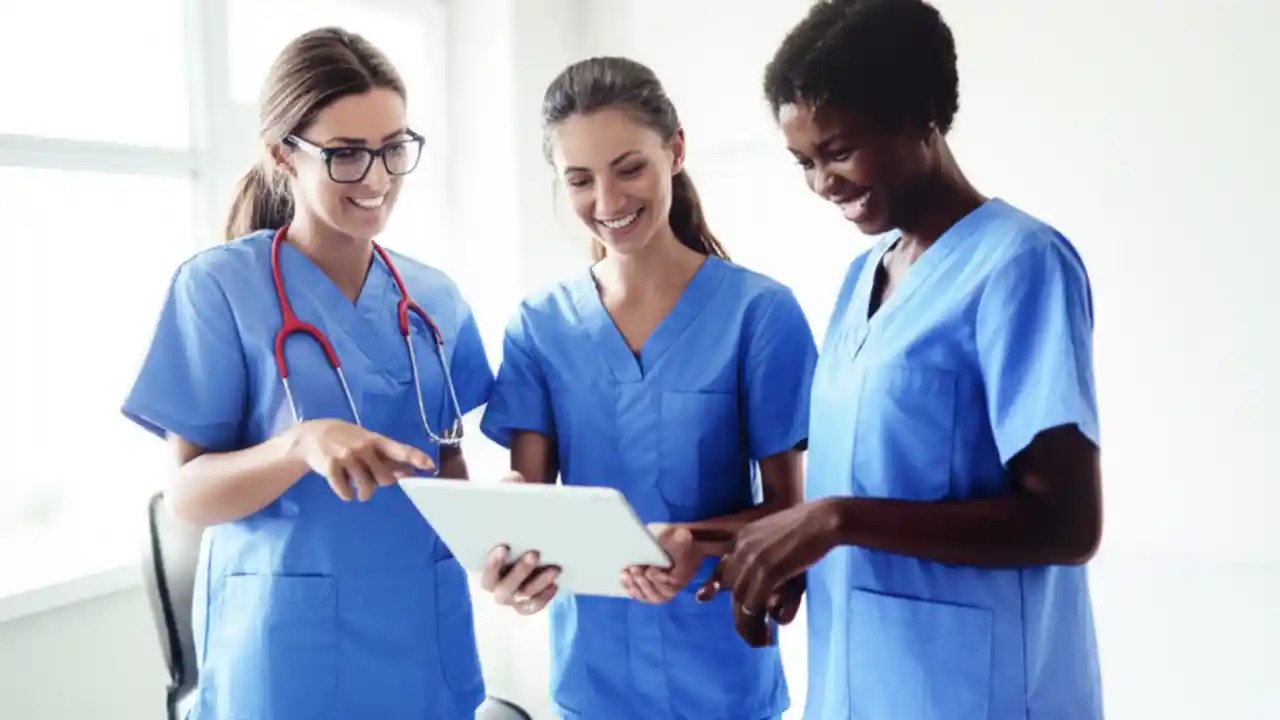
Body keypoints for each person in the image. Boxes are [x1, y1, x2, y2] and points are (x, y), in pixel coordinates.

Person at [699, 1, 1107, 718]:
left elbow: (1068, 525)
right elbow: (864, 484)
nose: (823, 181)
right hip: (859, 685)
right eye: (805, 162)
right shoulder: (864, 279)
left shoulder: (1019, 264)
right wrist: (788, 560)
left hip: (980, 693)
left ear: (922, 115)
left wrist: (836, 521)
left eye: (839, 149)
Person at [121, 27, 494, 720]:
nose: (378, 178)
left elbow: (448, 466)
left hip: (423, 636)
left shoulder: (433, 299)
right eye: (347, 154)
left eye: (392, 149)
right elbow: (189, 497)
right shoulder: (220, 288)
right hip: (286, 654)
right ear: (281, 154)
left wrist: (508, 539)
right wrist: (301, 444)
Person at [475, 57, 818, 720]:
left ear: (676, 150)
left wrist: (695, 538)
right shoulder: (541, 327)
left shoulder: (760, 314)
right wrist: (513, 568)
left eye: (628, 168)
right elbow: (531, 512)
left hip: (724, 681)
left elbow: (789, 515)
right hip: (593, 683)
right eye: (579, 180)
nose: (607, 204)